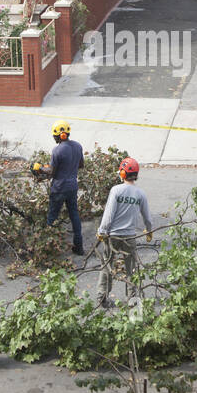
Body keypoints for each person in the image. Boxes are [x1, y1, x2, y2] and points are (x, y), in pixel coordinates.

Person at [96, 157, 153, 309]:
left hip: (112, 235)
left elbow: (109, 214)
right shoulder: (140, 194)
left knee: (106, 266)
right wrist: (149, 230)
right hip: (130, 236)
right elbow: (147, 216)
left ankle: (102, 297)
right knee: (131, 268)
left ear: (122, 173)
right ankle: (131, 299)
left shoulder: (116, 190)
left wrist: (102, 231)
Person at [42, 120, 86, 255]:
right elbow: (81, 165)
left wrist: (40, 168)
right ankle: (79, 247)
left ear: (59, 135)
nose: (54, 138)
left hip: (59, 188)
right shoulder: (78, 146)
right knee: (74, 215)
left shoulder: (57, 150)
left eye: (54, 135)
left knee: (52, 217)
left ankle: (48, 248)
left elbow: (51, 173)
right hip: (72, 187)